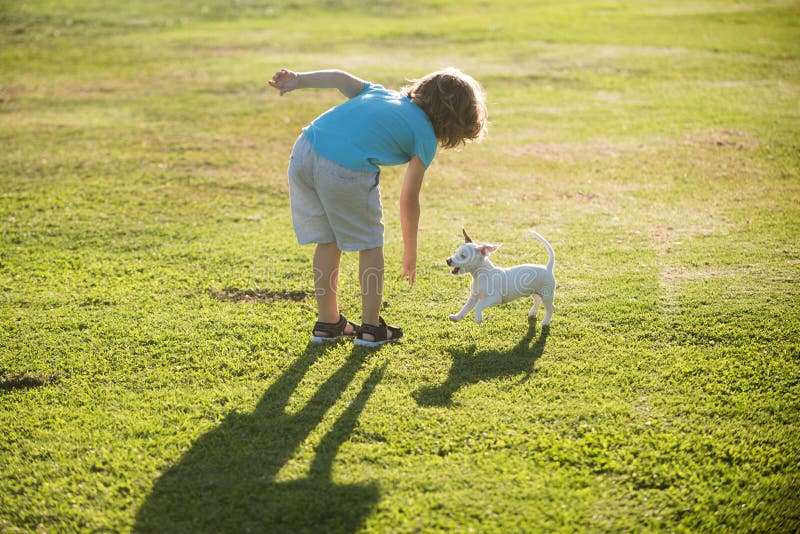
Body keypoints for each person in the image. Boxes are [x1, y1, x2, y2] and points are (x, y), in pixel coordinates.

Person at [269, 67, 487, 347]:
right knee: (370, 245)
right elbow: (409, 199)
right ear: (455, 120)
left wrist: (298, 80)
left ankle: (328, 323)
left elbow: (339, 78)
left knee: (328, 240)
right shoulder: (425, 137)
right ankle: (371, 328)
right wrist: (410, 251)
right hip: (343, 168)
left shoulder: (380, 93)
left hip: (305, 149)